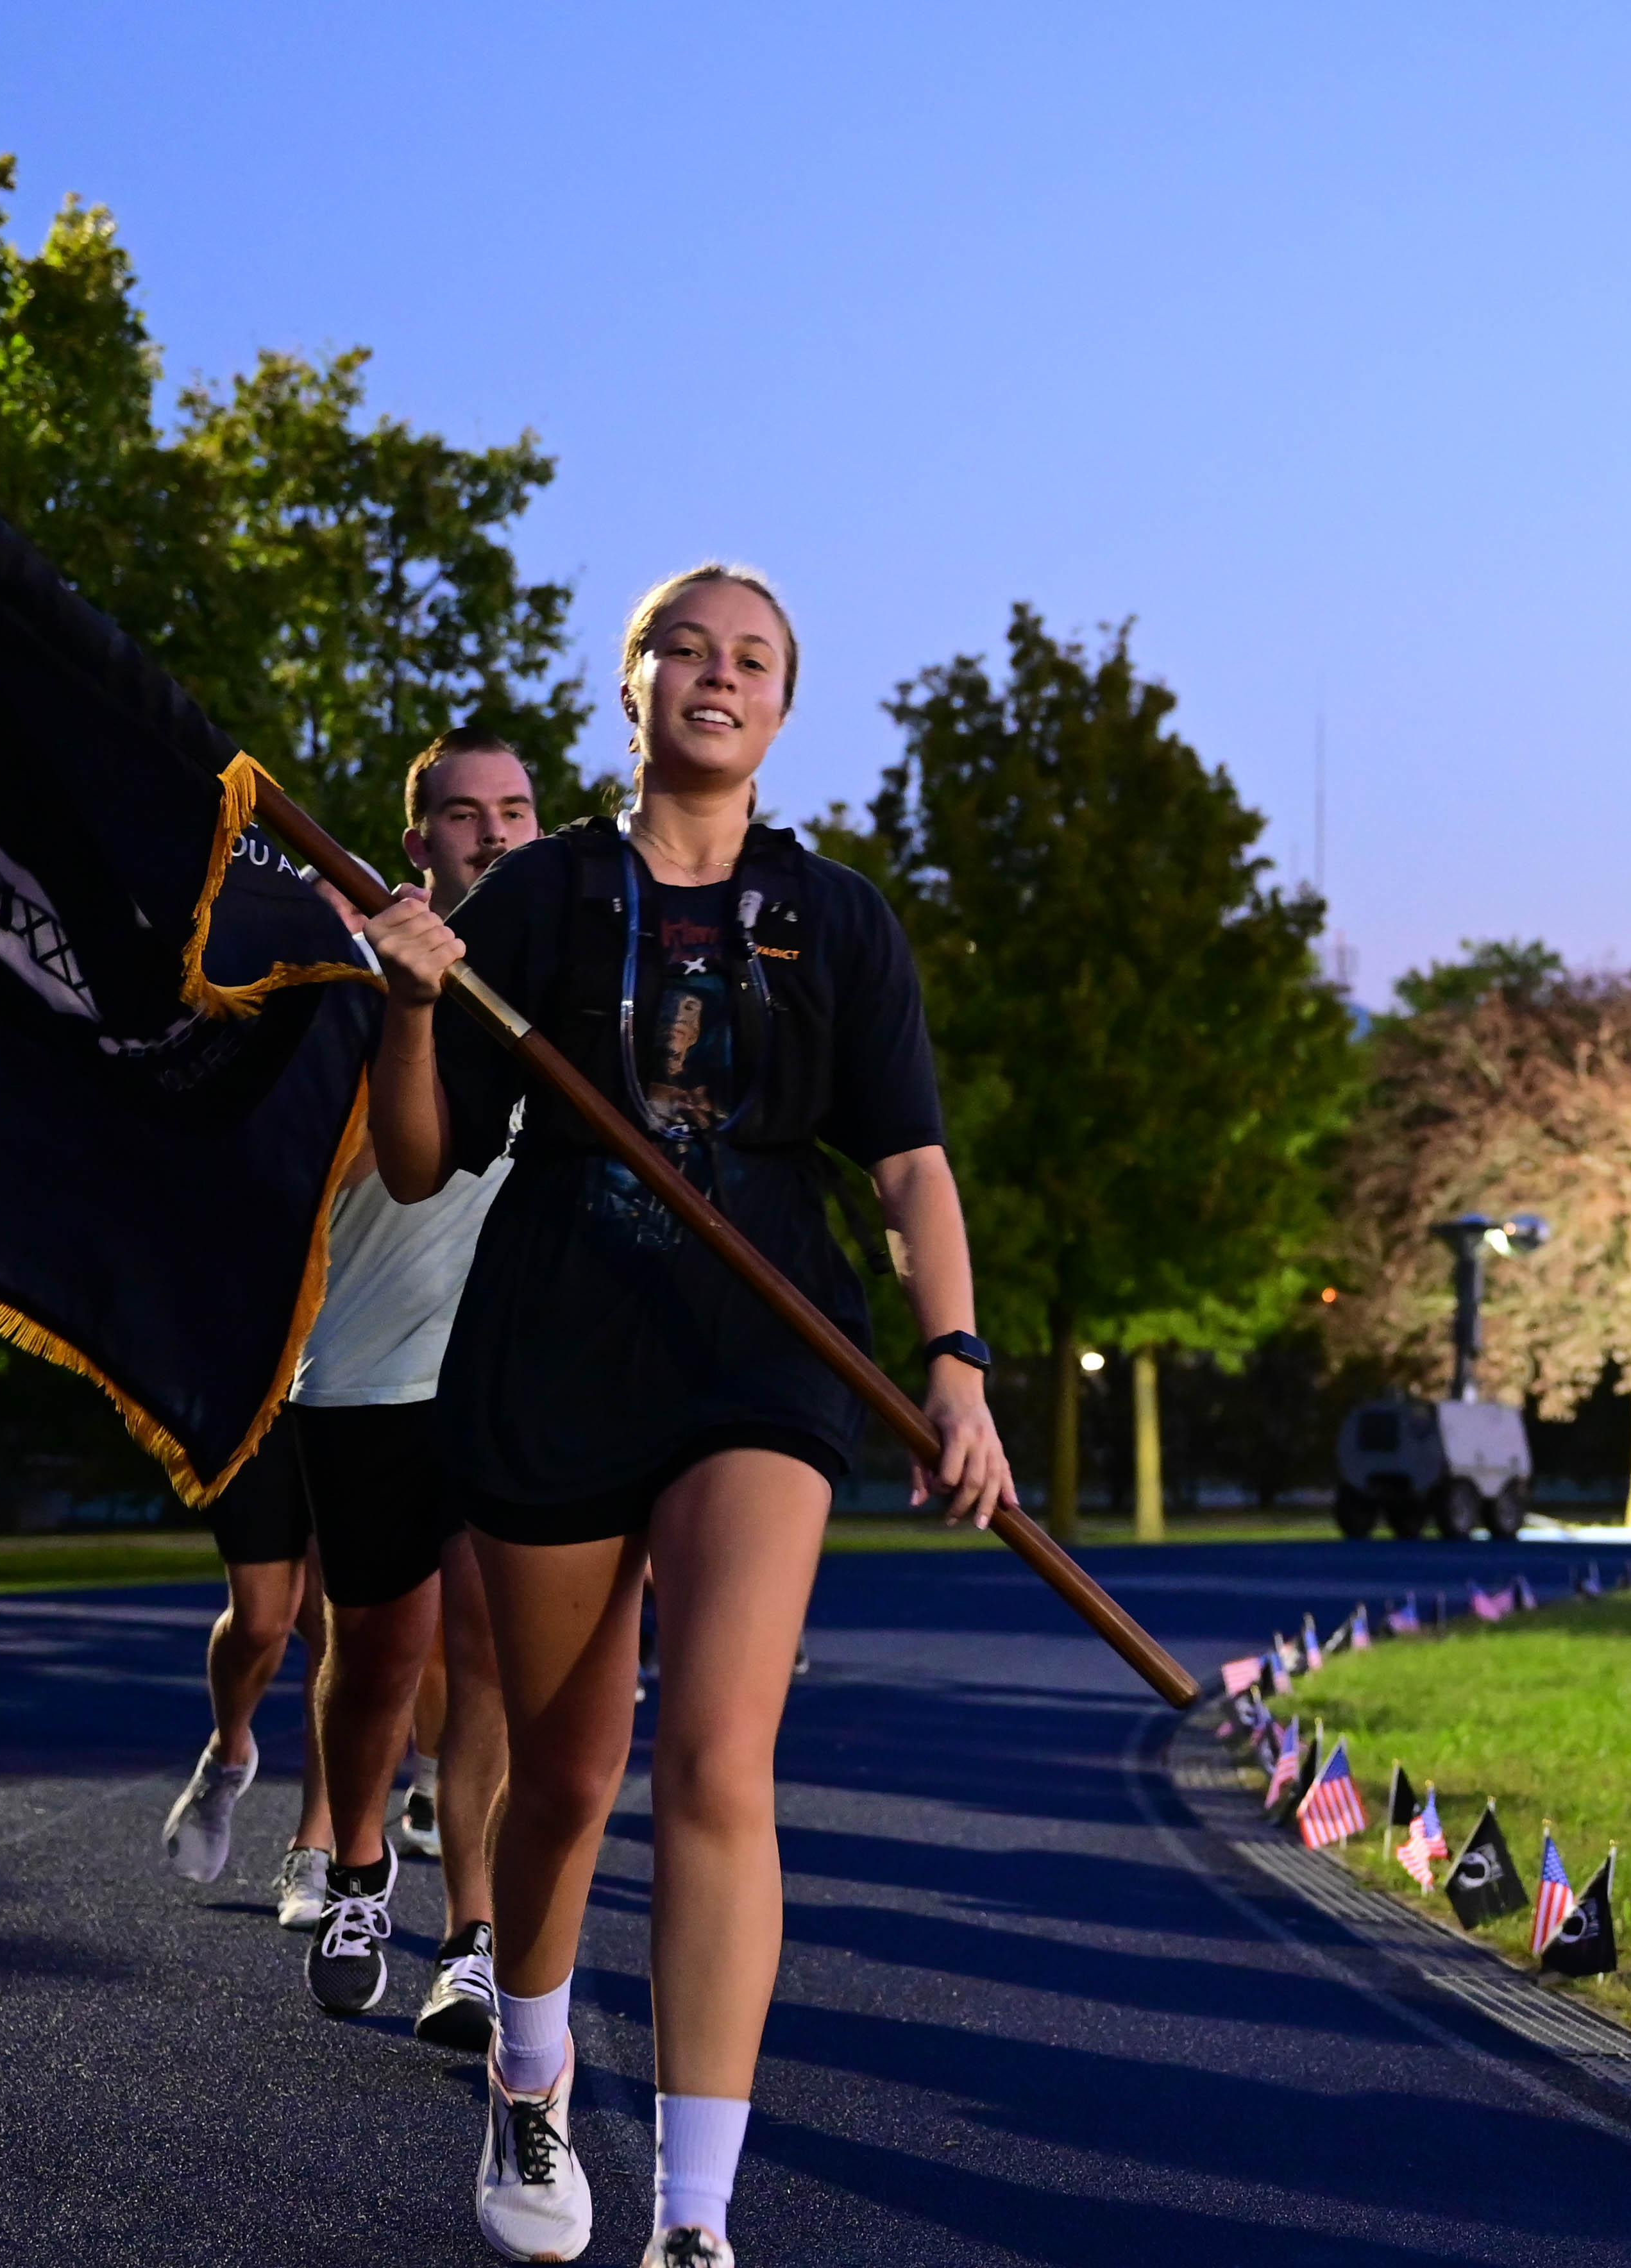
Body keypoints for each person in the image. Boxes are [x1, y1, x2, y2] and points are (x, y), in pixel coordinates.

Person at [366, 565, 1015, 2268]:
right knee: (569, 1773)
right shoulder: (543, 896)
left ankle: (697, 2221)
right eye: (686, 651)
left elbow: (909, 1165)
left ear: (783, 709)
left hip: (765, 1344)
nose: (718, 677)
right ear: (629, 687)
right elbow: (424, 1160)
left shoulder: (843, 918)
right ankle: (530, 2072)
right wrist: (410, 1003)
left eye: (755, 660)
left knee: (720, 1751)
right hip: (558, 1332)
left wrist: (956, 1363)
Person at [291, 728, 536, 2047]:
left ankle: (477, 1939)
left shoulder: (561, 982)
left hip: (503, 1376)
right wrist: (403, 1005)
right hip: (368, 1369)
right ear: (417, 845)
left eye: (512, 810)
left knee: (493, 1650)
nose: (491, 833)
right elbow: (322, 1177)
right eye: (462, 814)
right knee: (377, 1653)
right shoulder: (349, 981)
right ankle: (357, 1870)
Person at [155, 1423, 341, 1930]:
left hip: (351, 1379)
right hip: (256, 1403)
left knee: (334, 1626)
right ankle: (228, 1756)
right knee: (260, 1623)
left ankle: (314, 1849)